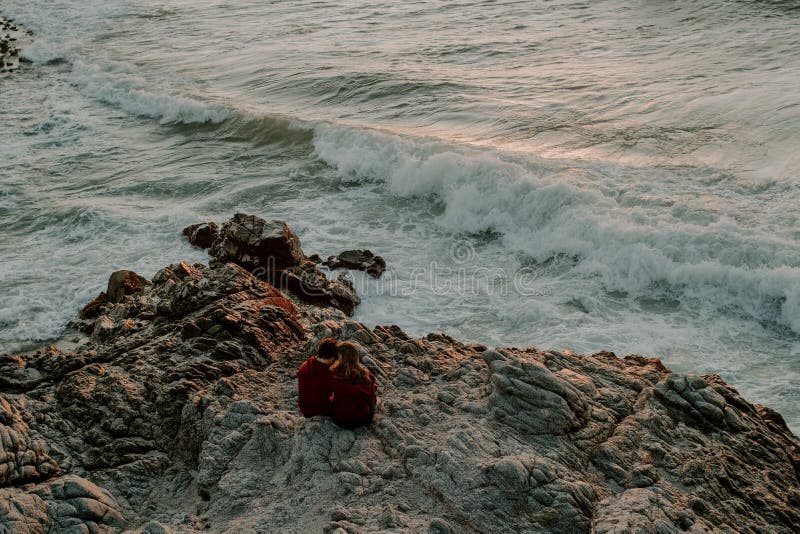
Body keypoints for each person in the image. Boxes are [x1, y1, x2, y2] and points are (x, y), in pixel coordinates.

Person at [329, 341, 377, 429]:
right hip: (361, 420)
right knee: (372, 392)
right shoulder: (366, 375)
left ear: (341, 358)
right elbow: (370, 397)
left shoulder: (335, 374)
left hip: (340, 420)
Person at [297, 337, 338, 418]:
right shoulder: (329, 374)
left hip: (304, 409)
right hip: (320, 411)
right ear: (333, 357)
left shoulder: (305, 365)